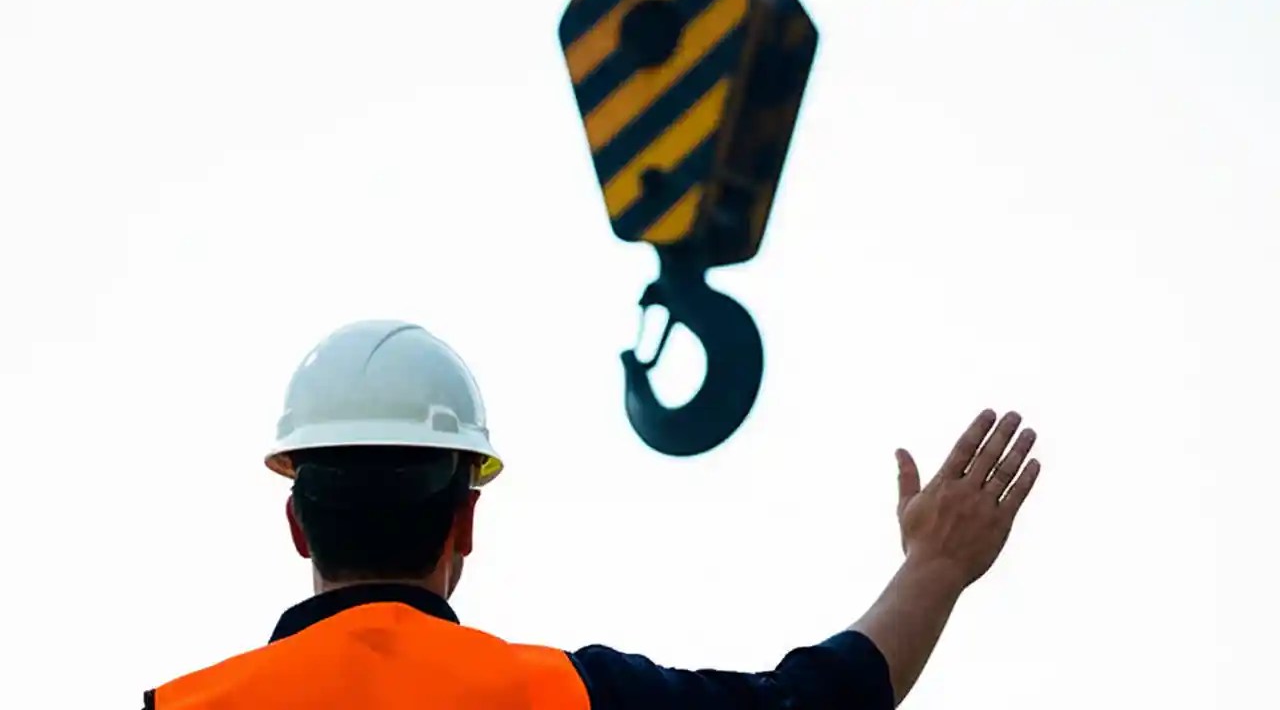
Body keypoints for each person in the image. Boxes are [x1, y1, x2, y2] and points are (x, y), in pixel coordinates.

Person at [143, 319, 1043, 709]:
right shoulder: (565, 697)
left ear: (298, 525)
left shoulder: (181, 708)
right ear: (466, 522)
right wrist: (934, 565)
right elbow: (815, 703)